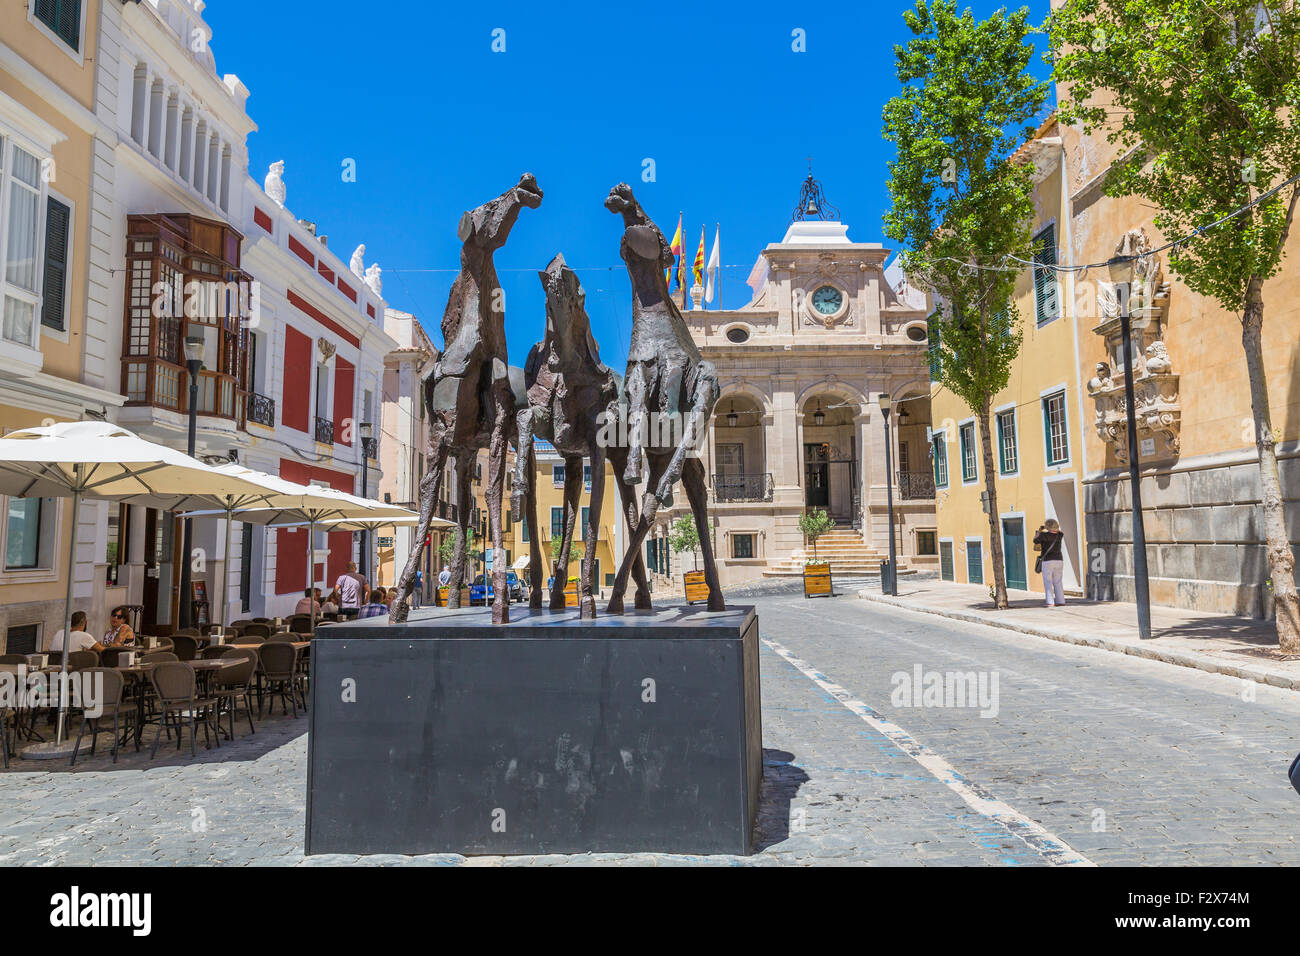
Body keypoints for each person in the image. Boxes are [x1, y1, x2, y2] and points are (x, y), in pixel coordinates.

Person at [1034, 519, 1067, 608]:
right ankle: (1061, 601)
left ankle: (1050, 601)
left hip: (1048, 560)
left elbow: (1035, 540)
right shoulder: (1060, 535)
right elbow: (1059, 531)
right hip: (1059, 560)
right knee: (1058, 581)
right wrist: (1051, 527)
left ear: (1047, 526)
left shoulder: (1044, 535)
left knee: (1048, 581)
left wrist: (1040, 530)